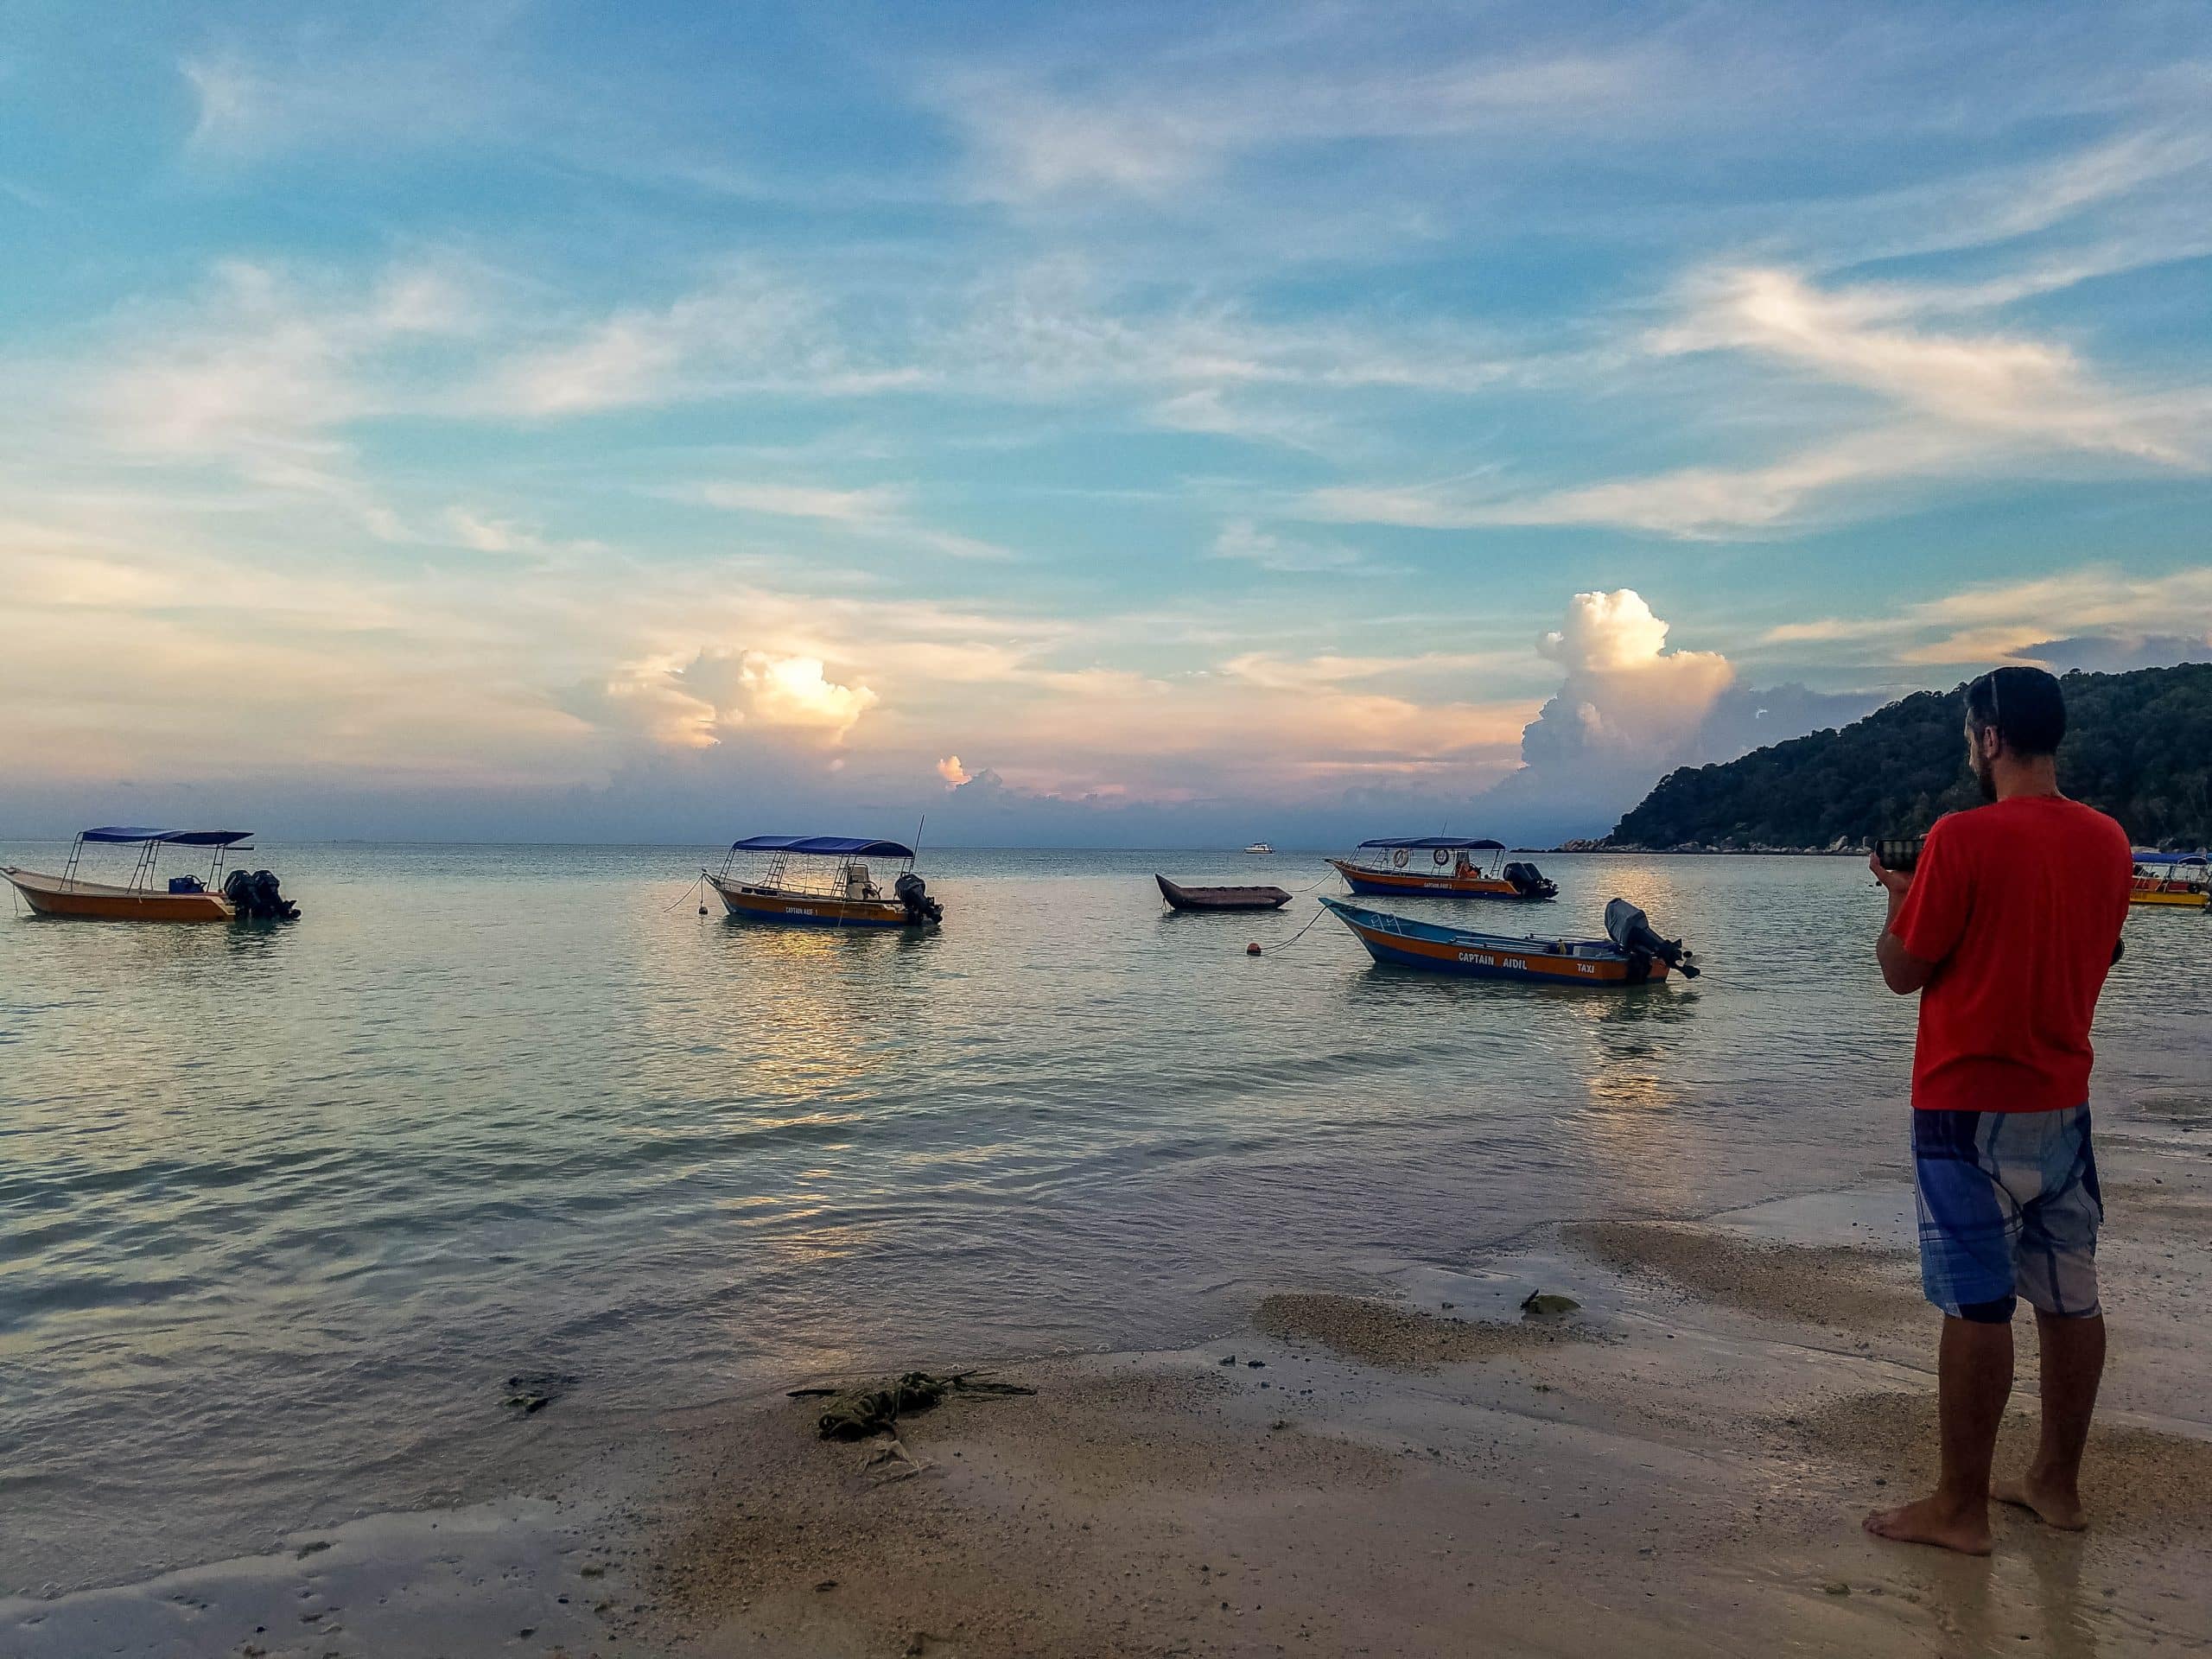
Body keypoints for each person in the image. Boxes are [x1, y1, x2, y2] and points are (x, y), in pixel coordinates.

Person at [1863, 664, 2132, 1555]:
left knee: (1977, 1308)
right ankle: (2055, 1484)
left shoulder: (1960, 838)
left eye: (1966, 738)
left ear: (1988, 738)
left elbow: (1904, 970)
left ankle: (1960, 1508)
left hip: (1963, 1105)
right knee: (2068, 1300)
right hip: (2062, 1102)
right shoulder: (2108, 841)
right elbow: (2093, 947)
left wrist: (1900, 900)